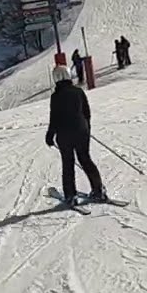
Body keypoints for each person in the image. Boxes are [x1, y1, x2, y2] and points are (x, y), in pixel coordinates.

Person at [46, 65, 106, 205]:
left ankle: (71, 196)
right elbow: (87, 112)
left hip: (64, 134)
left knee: (68, 163)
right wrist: (87, 129)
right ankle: (98, 190)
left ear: (55, 79)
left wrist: (50, 135)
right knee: (85, 159)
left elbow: (54, 117)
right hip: (81, 131)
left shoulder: (56, 96)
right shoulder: (78, 92)